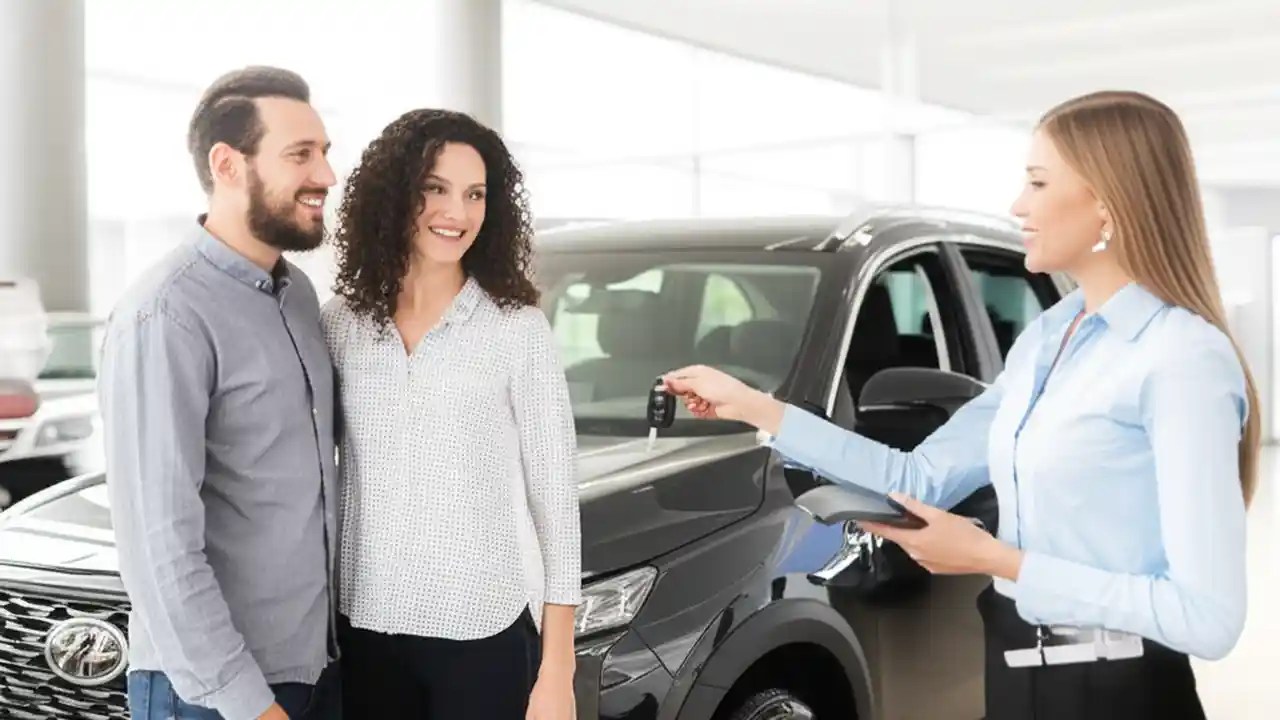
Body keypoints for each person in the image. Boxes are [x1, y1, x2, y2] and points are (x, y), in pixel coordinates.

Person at [662, 90, 1256, 720]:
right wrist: (757, 408)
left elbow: (1208, 618)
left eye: (1037, 183)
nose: (1017, 206)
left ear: (1108, 202)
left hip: (1118, 694)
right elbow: (918, 478)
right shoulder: (1049, 338)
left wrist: (994, 559)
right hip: (1013, 673)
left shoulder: (1181, 358)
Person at [321, 108, 580, 718]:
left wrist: (557, 670)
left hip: (481, 636)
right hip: (362, 633)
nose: (456, 213)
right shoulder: (341, 323)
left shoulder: (517, 330)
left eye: (474, 195)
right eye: (435, 189)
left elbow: (556, 500)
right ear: (393, 197)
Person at [99, 66, 341, 720]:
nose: (326, 175)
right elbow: (158, 550)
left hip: (313, 674)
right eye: (301, 154)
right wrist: (247, 706)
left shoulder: (297, 296)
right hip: (214, 697)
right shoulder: (166, 315)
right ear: (228, 165)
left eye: (324, 152)